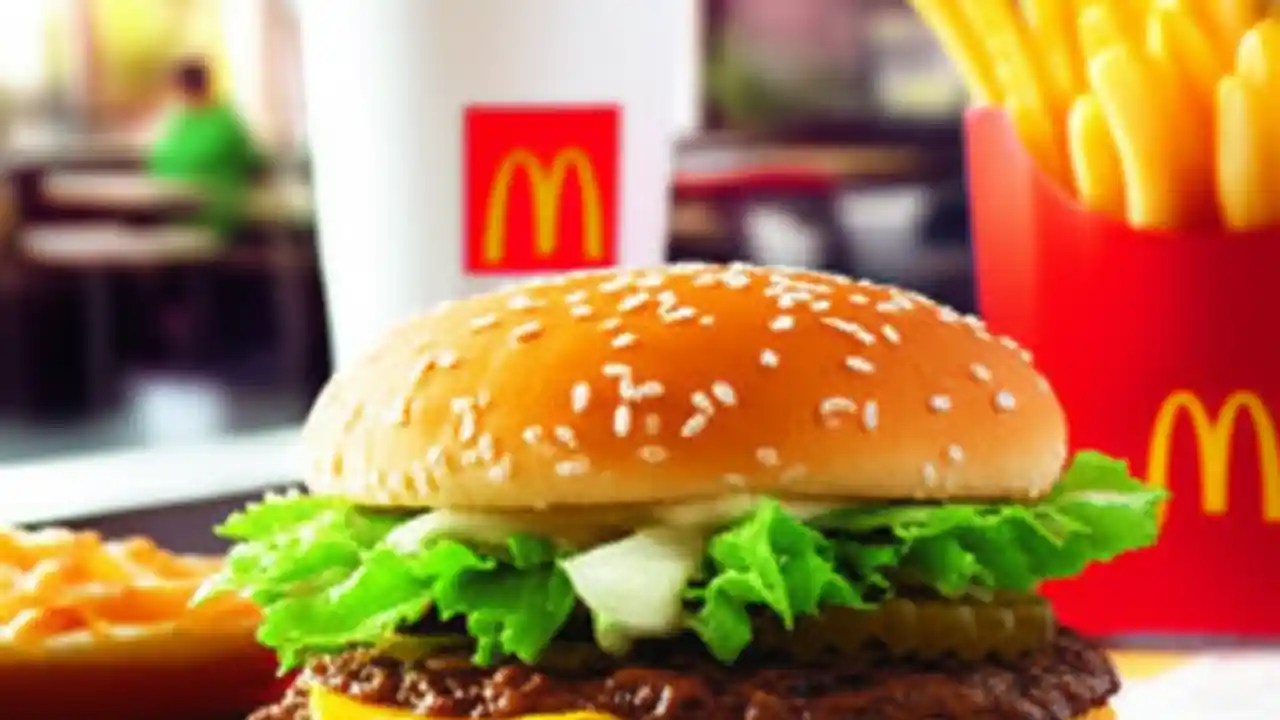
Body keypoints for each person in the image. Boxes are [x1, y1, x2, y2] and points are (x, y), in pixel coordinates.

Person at [149, 56, 262, 237]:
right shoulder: (183, 121)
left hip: (212, 212)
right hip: (175, 209)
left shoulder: (224, 121)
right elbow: (160, 160)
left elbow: (250, 162)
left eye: (181, 89)